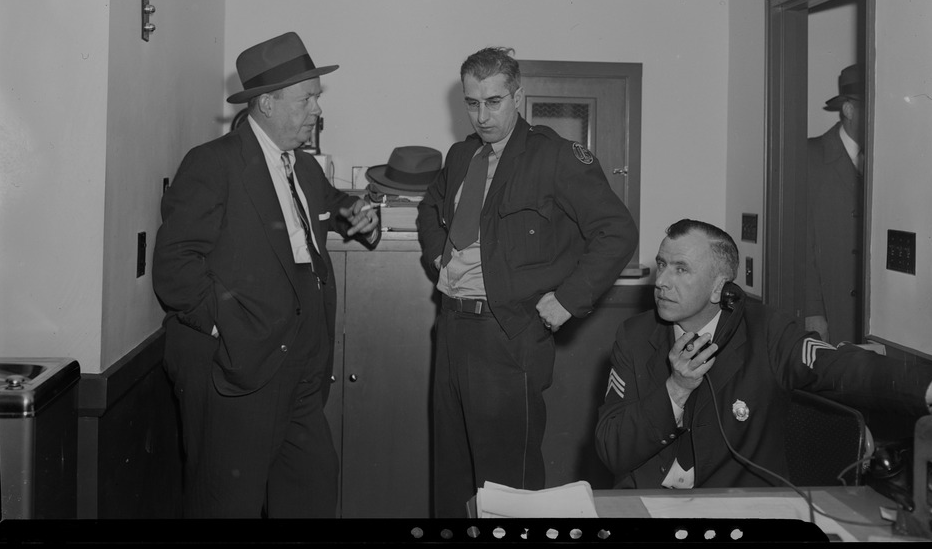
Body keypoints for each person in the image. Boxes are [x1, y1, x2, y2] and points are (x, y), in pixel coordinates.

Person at [153, 31, 380, 519]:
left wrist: (359, 212)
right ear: (266, 104)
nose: (317, 110)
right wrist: (228, 327)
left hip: (301, 363)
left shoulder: (303, 167)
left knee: (313, 490)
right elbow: (175, 268)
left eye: (316, 98)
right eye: (306, 100)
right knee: (226, 506)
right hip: (239, 364)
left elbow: (330, 204)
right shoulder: (213, 164)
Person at [417, 46, 638, 518]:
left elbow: (617, 231)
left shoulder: (554, 156)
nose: (482, 115)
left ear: (518, 95)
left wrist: (568, 298)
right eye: (472, 103)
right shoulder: (461, 156)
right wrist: (438, 253)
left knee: (505, 488)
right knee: (452, 478)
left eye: (494, 101)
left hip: (506, 334)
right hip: (452, 329)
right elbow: (428, 209)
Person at [595, 219, 932, 490]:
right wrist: (675, 389)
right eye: (662, 265)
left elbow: (838, 366)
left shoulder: (766, 331)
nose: (661, 281)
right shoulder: (635, 336)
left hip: (737, 512)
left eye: (681, 269)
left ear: (720, 286)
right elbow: (612, 450)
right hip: (649, 505)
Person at [805, 63, 865, 344]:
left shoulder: (886, 158)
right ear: (849, 110)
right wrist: (812, 309)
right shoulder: (809, 157)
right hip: (828, 313)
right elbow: (799, 243)